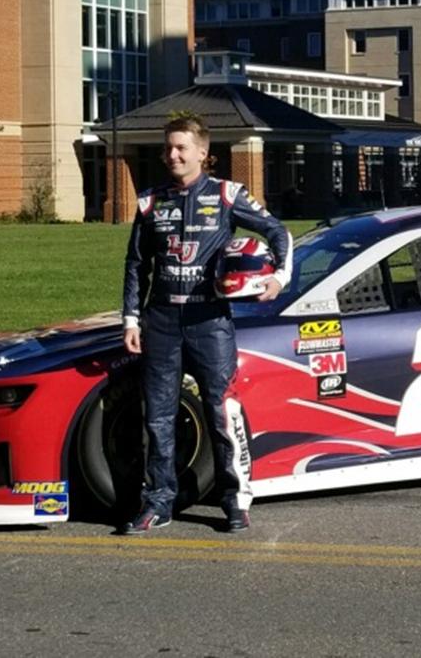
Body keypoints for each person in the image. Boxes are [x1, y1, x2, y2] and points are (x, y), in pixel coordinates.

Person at [119, 114, 292, 535]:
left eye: (181, 147)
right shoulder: (149, 202)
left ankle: (235, 501)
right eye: (168, 148)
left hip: (209, 319)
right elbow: (136, 265)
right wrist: (131, 318)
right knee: (158, 417)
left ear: (203, 152)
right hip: (161, 320)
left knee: (222, 411)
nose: (172, 155)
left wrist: (278, 277)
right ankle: (159, 501)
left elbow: (278, 231)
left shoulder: (228, 195)